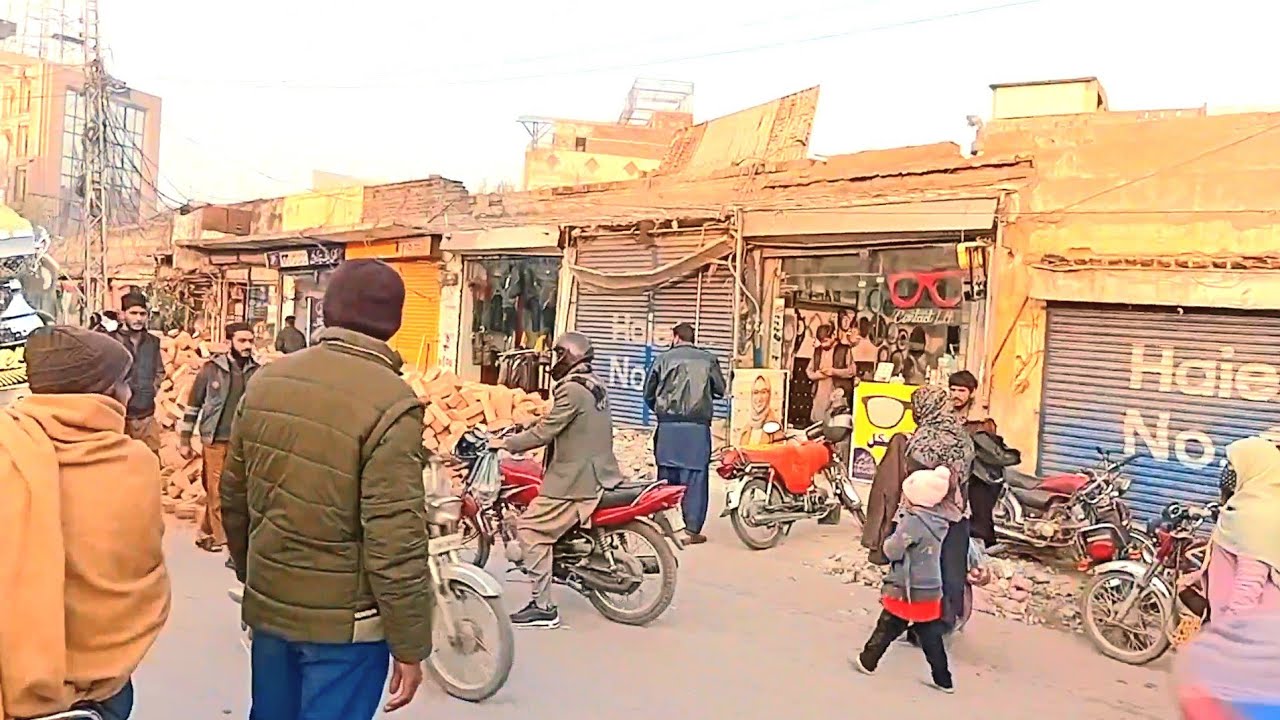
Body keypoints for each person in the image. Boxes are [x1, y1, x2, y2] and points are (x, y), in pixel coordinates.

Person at [221, 260, 433, 720]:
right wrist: (410, 644)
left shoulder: (266, 381)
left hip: (273, 609)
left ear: (327, 311)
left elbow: (234, 498)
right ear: (393, 324)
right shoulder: (391, 402)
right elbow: (395, 540)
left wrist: (253, 576)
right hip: (345, 630)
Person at [0, 325, 170, 720]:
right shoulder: (136, 464)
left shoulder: (6, 446)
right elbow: (140, 574)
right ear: (102, 390)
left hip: (11, 685)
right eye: (123, 382)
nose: (129, 394)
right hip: (104, 685)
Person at [490, 331, 623, 628]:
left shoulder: (571, 389)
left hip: (575, 479)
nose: (553, 361)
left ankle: (543, 606)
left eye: (557, 355)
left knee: (530, 531)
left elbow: (545, 433)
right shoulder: (593, 383)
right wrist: (526, 423)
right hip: (599, 470)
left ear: (568, 357)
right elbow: (560, 421)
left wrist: (505, 445)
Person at [851, 466, 955, 693]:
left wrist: (888, 542)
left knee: (888, 625)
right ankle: (943, 678)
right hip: (930, 587)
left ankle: (867, 661)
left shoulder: (914, 522)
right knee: (930, 636)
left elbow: (894, 550)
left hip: (907, 587)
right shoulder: (938, 520)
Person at [178, 322, 260, 553]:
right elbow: (193, 406)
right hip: (214, 439)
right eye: (242, 341)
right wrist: (184, 440)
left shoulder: (257, 372)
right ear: (228, 343)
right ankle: (222, 539)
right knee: (216, 489)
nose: (247, 346)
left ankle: (206, 532)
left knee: (234, 490)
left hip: (242, 442)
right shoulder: (210, 370)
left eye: (250, 341)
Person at [643, 322, 726, 544]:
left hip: (668, 428)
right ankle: (691, 530)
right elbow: (720, 389)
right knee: (695, 479)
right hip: (697, 430)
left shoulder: (662, 359)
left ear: (675, 337)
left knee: (666, 477)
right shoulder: (708, 359)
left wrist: (664, 412)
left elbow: (648, 393)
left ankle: (664, 525)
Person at [905, 385, 976, 633]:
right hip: (958, 512)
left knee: (924, 570)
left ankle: (924, 623)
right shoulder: (962, 435)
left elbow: (915, 475)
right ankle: (948, 618)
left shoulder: (924, 438)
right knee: (951, 568)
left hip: (929, 515)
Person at [1204, 437, 1280, 619]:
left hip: (1250, 630)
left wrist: (1227, 635)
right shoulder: (1245, 505)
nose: (1227, 472)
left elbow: (1248, 588)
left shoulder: (1259, 517)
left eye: (1233, 466)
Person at [110, 292, 165, 453]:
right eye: (133, 313)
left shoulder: (153, 342)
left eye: (142, 314)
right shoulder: (111, 341)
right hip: (120, 417)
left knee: (151, 461)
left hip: (146, 414)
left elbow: (159, 371)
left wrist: (151, 390)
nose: (138, 318)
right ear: (122, 315)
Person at [807, 324, 855, 424]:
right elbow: (809, 372)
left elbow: (852, 371)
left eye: (825, 341)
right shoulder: (817, 352)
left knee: (836, 422)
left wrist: (833, 372)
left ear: (833, 335)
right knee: (817, 422)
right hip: (819, 394)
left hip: (838, 393)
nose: (823, 345)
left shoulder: (844, 350)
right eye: (821, 342)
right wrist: (821, 374)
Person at [738, 373, 783, 447]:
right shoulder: (746, 429)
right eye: (755, 393)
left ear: (769, 395)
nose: (759, 398)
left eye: (763, 392)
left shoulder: (775, 429)